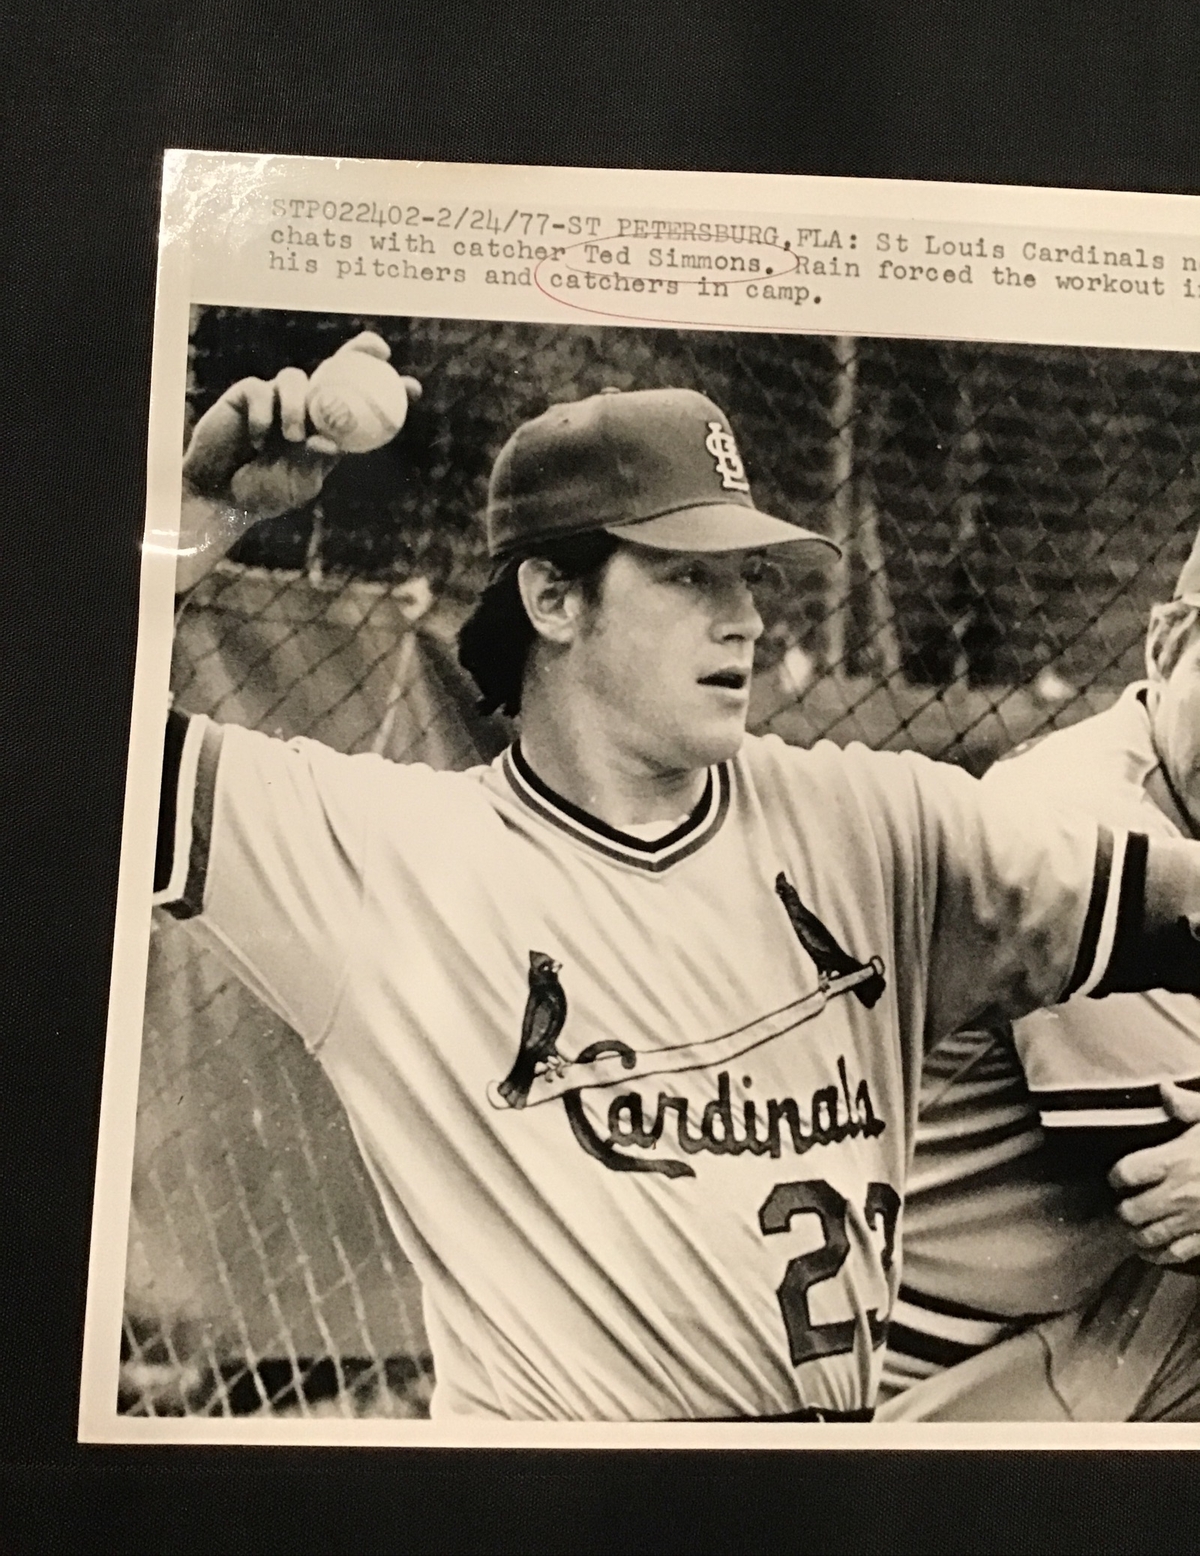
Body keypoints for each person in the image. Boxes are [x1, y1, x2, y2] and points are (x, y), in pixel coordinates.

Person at [156, 331, 1200, 1422]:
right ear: (555, 598)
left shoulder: (883, 827)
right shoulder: (386, 857)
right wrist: (199, 514)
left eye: (747, 575)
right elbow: (82, 751)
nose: (746, 615)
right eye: (691, 575)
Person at [879, 541, 1200, 1422]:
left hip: (1082, 1323)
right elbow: (1167, 1185)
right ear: (1166, 645)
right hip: (939, 1387)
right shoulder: (1076, 815)